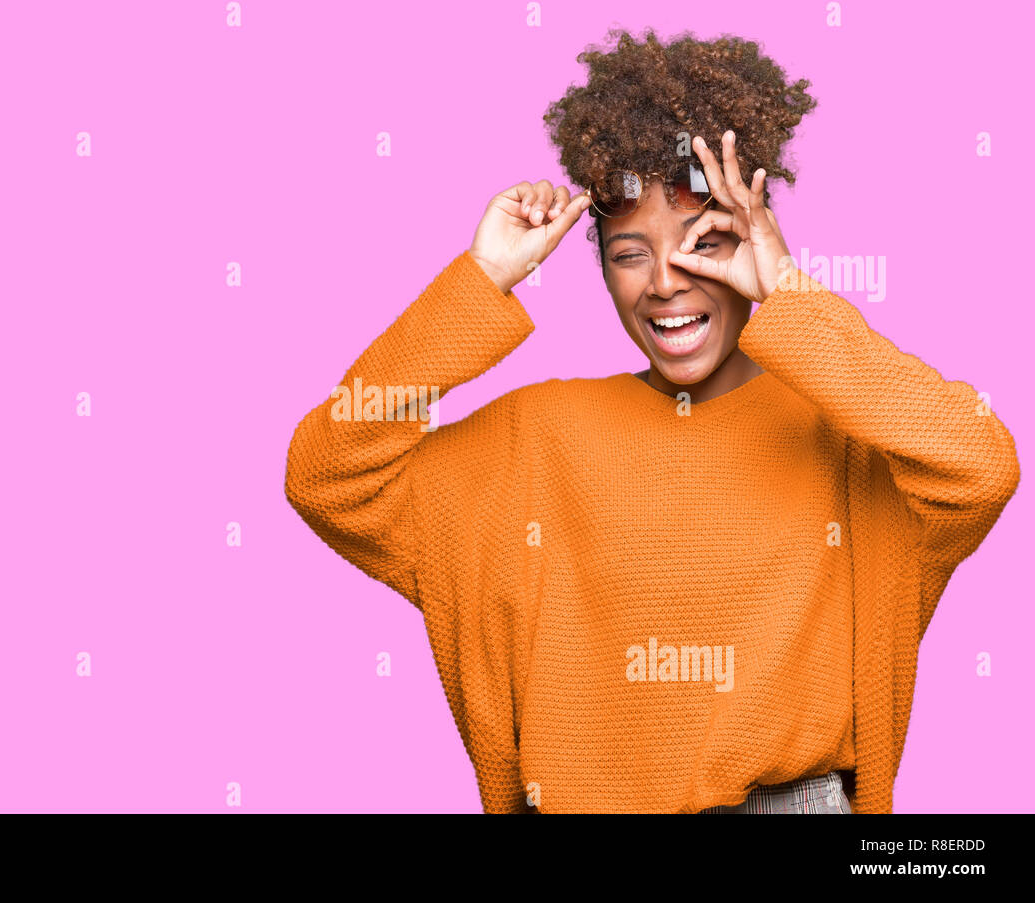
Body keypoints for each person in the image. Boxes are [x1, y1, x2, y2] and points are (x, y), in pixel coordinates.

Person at [283, 28, 1020, 814]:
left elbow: (981, 464)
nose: (666, 282)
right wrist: (482, 280)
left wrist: (790, 295)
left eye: (703, 242)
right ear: (599, 265)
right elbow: (327, 471)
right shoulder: (537, 434)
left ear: (754, 232)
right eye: (630, 251)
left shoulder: (845, 436)